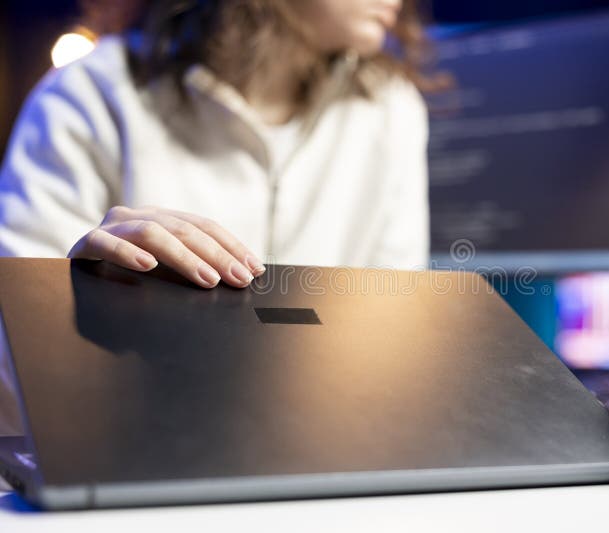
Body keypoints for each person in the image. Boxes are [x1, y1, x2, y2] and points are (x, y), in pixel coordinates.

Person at [0, 0, 433, 435]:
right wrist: (75, 303)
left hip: (324, 442)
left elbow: (392, 327)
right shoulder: (90, 95)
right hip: (138, 442)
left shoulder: (390, 109)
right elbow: (11, 368)